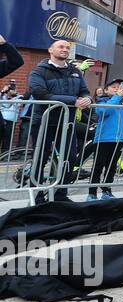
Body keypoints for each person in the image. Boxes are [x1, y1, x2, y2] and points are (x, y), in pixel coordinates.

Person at [26, 39, 92, 203]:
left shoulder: (75, 71)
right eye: (61, 47)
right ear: (50, 50)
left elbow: (84, 91)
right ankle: (38, 195)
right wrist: (73, 101)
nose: (65, 49)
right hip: (44, 122)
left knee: (69, 159)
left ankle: (60, 194)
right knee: (40, 158)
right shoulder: (39, 71)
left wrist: (87, 99)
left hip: (67, 123)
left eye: (67, 48)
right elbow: (40, 93)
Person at [87, 78, 123, 201]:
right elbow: (103, 111)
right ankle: (92, 193)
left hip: (119, 139)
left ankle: (107, 191)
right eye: (114, 87)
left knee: (111, 166)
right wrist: (116, 97)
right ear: (106, 90)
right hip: (103, 138)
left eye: (119, 87)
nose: (117, 89)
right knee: (98, 165)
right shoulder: (102, 101)